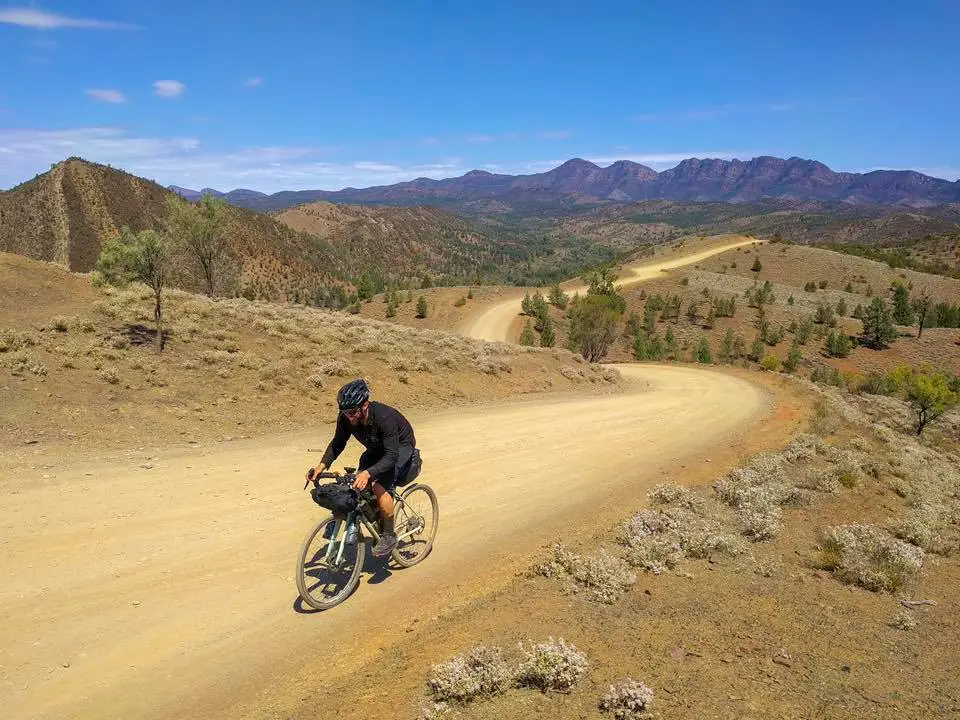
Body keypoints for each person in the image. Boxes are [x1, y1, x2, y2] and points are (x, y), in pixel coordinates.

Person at [306, 379, 418, 558]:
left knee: (379, 487)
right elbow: (338, 443)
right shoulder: (346, 417)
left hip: (399, 449)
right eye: (344, 412)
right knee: (356, 484)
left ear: (365, 405)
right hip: (375, 448)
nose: (349, 417)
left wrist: (369, 473)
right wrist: (322, 465)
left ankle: (389, 535)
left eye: (352, 412)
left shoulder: (384, 417)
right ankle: (376, 518)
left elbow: (391, 456)